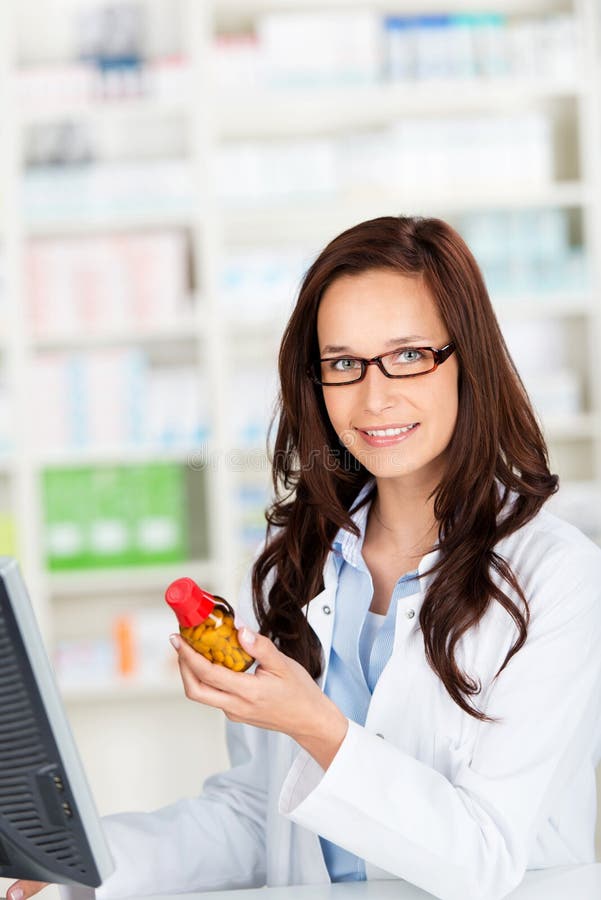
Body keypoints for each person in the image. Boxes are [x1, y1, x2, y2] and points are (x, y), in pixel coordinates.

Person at [10, 215, 601, 900]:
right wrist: (79, 871)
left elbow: (483, 857)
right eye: (343, 363)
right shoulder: (288, 565)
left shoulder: (553, 575)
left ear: (466, 357)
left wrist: (312, 723)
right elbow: (258, 819)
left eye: (408, 354)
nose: (374, 397)